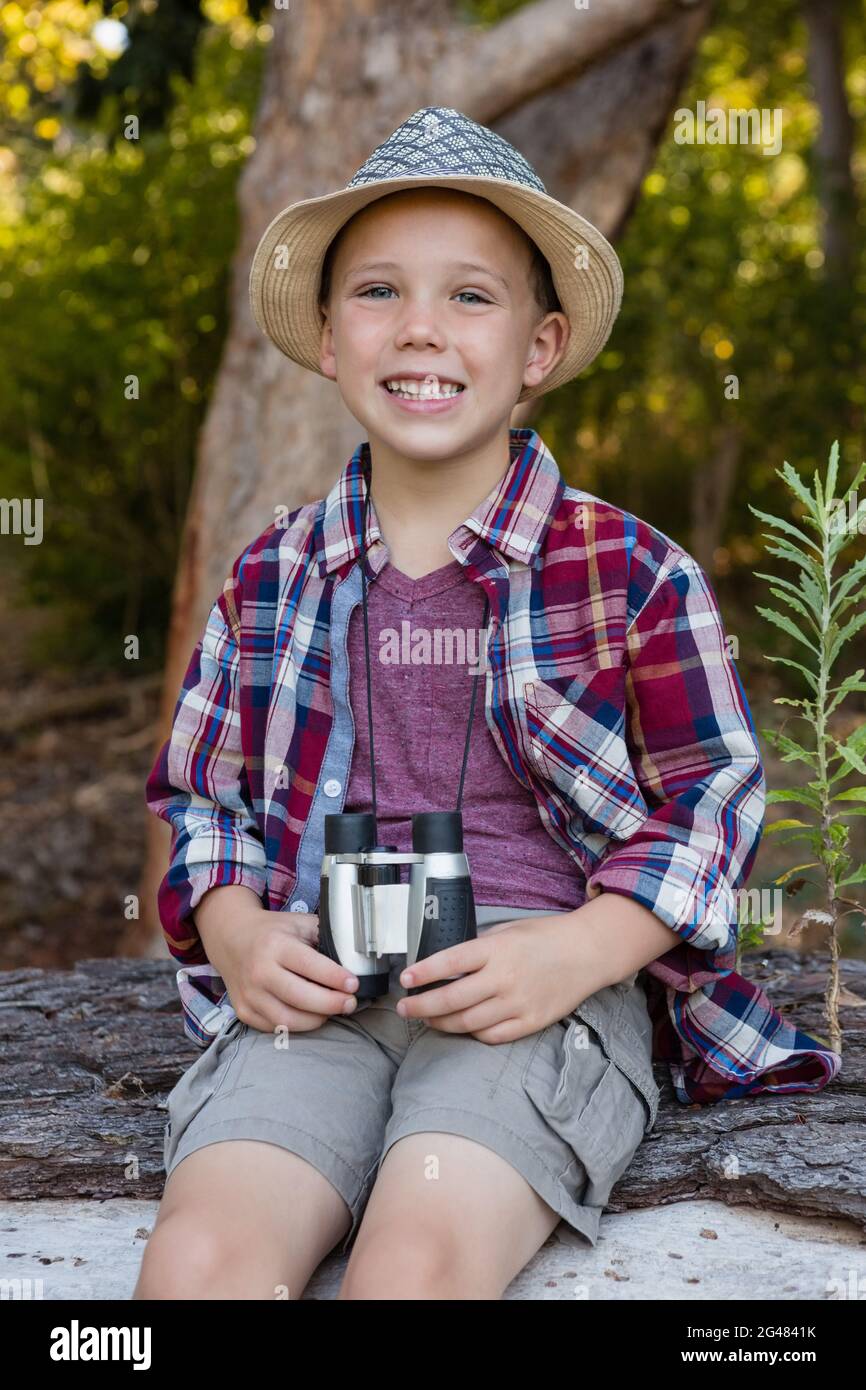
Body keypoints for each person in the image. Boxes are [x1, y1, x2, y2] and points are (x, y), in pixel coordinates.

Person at [134, 107, 839, 1302]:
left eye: (470, 297)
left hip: (535, 996)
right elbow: (204, 797)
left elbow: (712, 804)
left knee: (411, 1264)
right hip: (322, 987)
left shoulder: (627, 571)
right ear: (323, 336)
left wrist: (581, 949)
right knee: (200, 1261)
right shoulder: (271, 572)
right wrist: (239, 928)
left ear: (538, 347)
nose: (419, 329)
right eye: (376, 292)